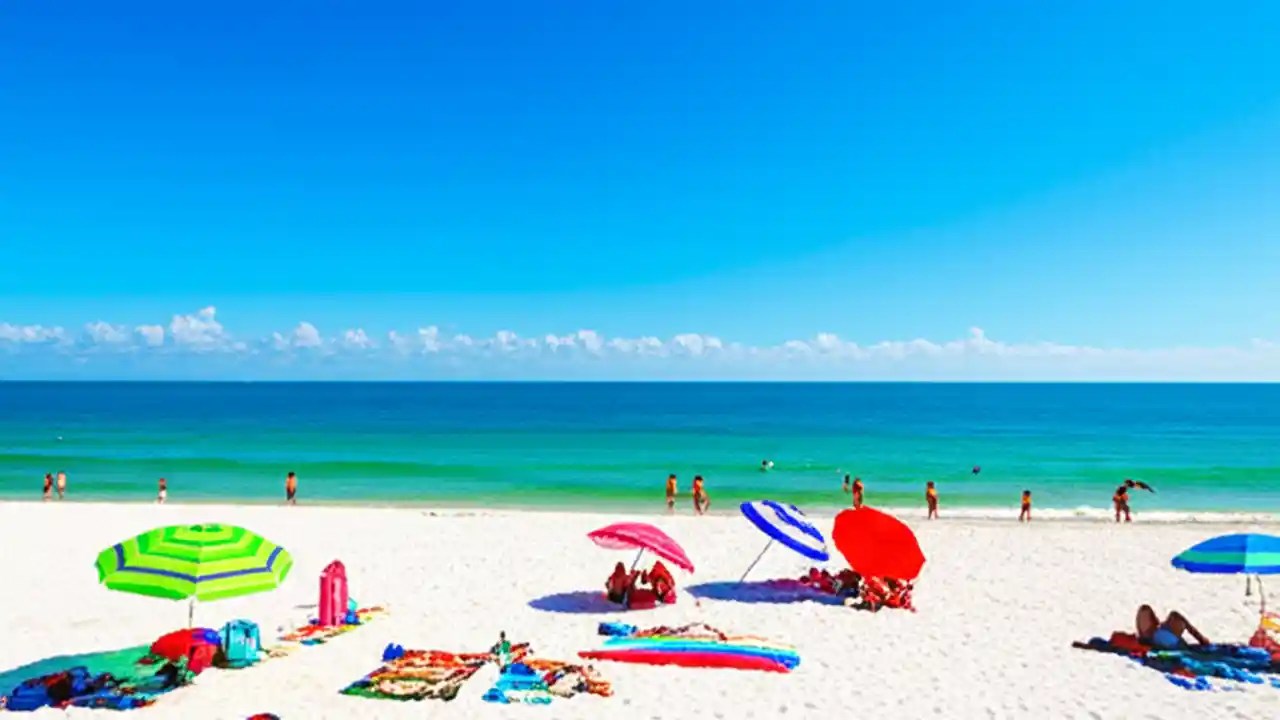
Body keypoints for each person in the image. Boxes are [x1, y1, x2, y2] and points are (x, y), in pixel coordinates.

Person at [1136, 604, 1209, 649]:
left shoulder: (1154, 632)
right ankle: (1201, 639)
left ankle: (1201, 639)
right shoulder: (1151, 635)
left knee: (1174, 615)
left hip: (1166, 639)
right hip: (1172, 642)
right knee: (1174, 614)